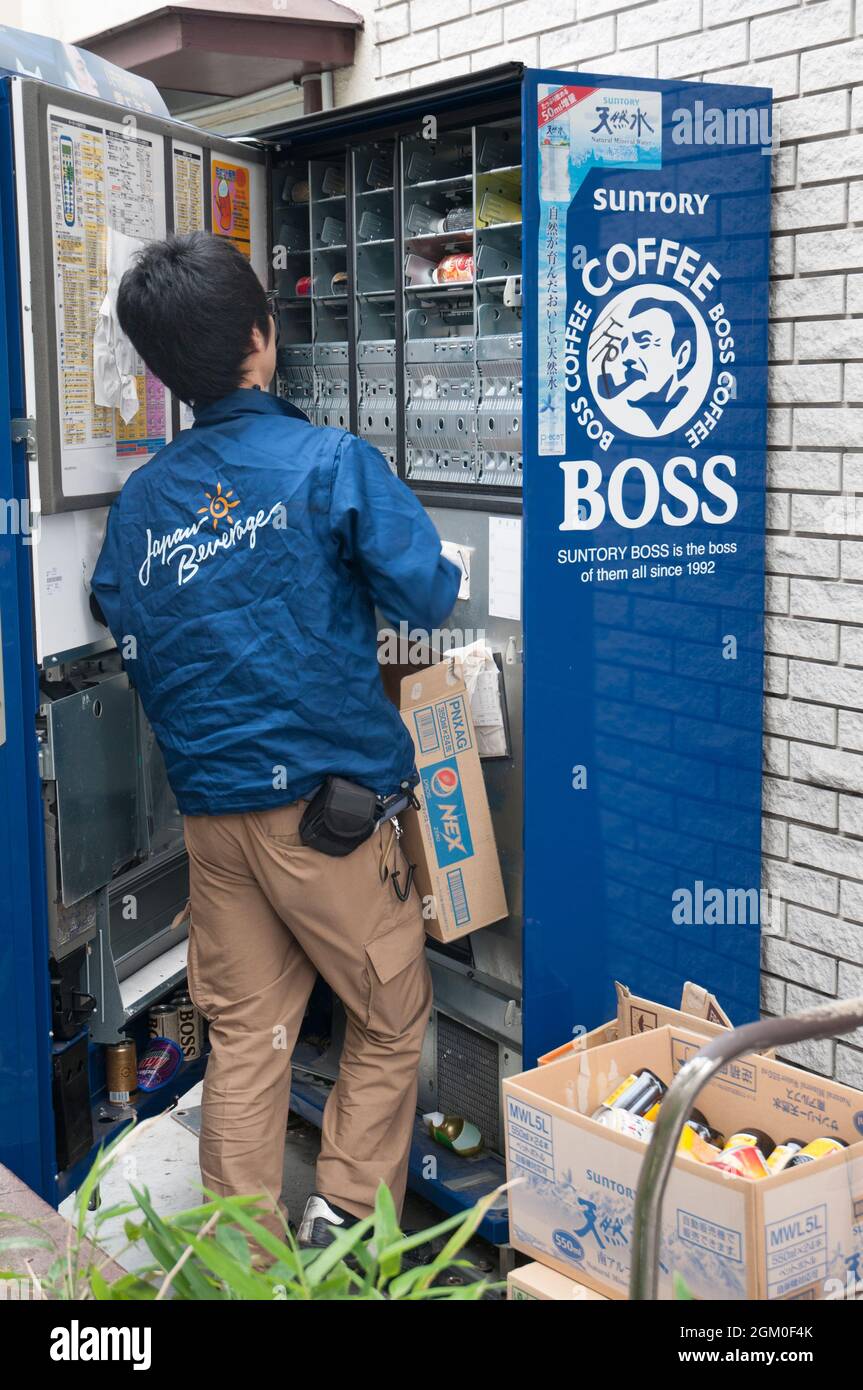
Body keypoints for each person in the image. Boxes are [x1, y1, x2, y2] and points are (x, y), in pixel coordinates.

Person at [91, 230, 460, 1250]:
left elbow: (124, 617)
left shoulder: (140, 505)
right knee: (389, 1015)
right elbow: (428, 589)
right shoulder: (328, 462)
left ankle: (239, 1263)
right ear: (262, 336)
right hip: (329, 818)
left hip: (214, 823)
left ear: (166, 372)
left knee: (246, 1042)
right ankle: (341, 1224)